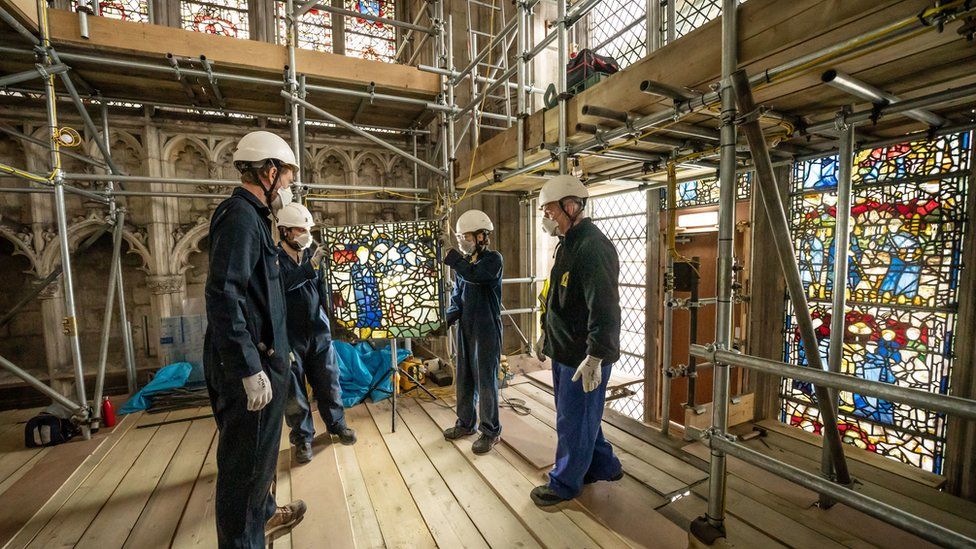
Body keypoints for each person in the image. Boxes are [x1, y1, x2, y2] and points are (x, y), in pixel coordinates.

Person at [203, 130, 307, 547]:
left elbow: (262, 293)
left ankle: (263, 515)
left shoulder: (255, 219)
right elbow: (224, 294)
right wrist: (248, 368)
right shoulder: (241, 217)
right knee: (244, 472)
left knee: (260, 460)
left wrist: (282, 349)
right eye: (285, 177)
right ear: (268, 171)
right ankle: (245, 539)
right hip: (250, 364)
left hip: (267, 357)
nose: (287, 187)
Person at [531, 174, 623, 507]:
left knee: (572, 419)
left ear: (572, 206)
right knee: (584, 417)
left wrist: (597, 356)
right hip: (564, 348)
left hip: (582, 356)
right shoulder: (568, 244)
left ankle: (565, 483)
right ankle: (605, 466)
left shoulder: (592, 246)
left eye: (551, 211)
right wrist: (545, 333)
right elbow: (557, 297)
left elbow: (605, 307)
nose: (547, 218)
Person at [276, 201, 357, 464]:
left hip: (318, 329)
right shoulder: (274, 259)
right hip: (290, 334)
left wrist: (339, 312)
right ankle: (302, 439)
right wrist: (310, 265)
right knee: (294, 391)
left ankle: (336, 425)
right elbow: (283, 286)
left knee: (329, 380)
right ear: (285, 231)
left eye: (307, 230)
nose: (306, 235)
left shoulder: (310, 253)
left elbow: (322, 289)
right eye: (300, 230)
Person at [441, 210, 504, 454]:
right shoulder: (464, 266)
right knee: (465, 378)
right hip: (466, 327)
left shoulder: (493, 260)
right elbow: (458, 298)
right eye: (459, 238)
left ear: (481, 237)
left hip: (487, 329)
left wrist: (452, 256)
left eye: (465, 237)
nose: (462, 242)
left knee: (486, 382)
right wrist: (444, 320)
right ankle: (466, 424)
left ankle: (490, 432)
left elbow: (477, 276)